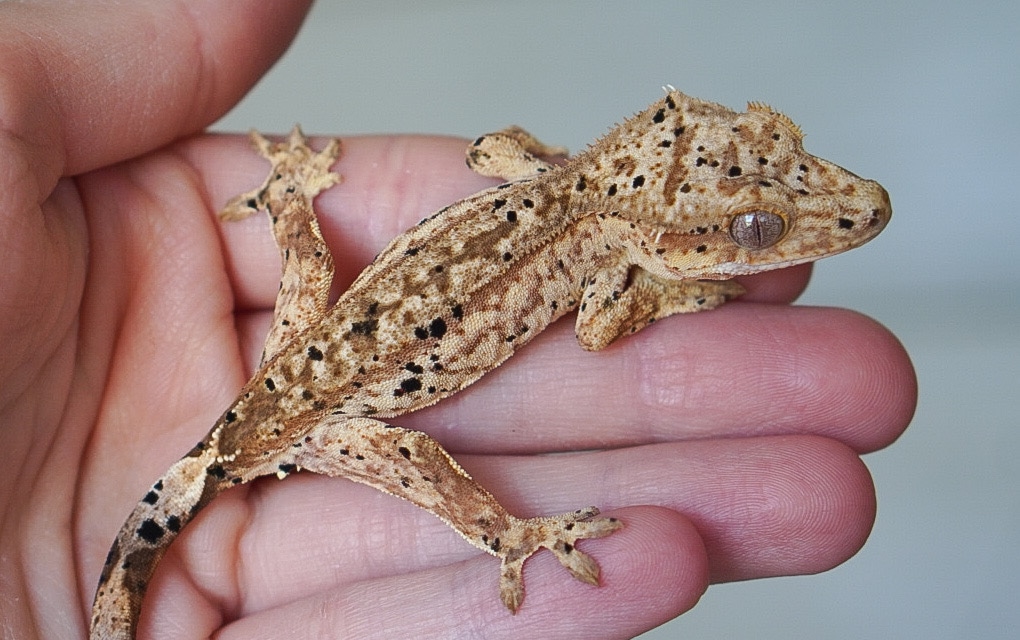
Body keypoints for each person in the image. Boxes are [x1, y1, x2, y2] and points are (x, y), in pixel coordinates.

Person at [0, 1, 916, 638]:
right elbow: (598, 329)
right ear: (663, 234)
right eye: (759, 232)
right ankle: (507, 535)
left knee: (312, 267)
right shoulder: (608, 249)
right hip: (328, 415)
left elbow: (492, 149)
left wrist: (609, 227)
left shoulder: (560, 183)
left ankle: (286, 201)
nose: (830, 218)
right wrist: (666, 289)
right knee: (425, 463)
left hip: (300, 351)